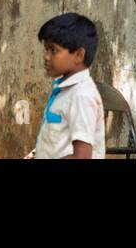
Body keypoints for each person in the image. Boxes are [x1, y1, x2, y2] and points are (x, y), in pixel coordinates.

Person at [33, 12, 107, 159]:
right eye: (46, 49)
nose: (46, 57)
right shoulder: (66, 90)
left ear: (79, 55)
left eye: (53, 50)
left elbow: (82, 157)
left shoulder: (81, 95)